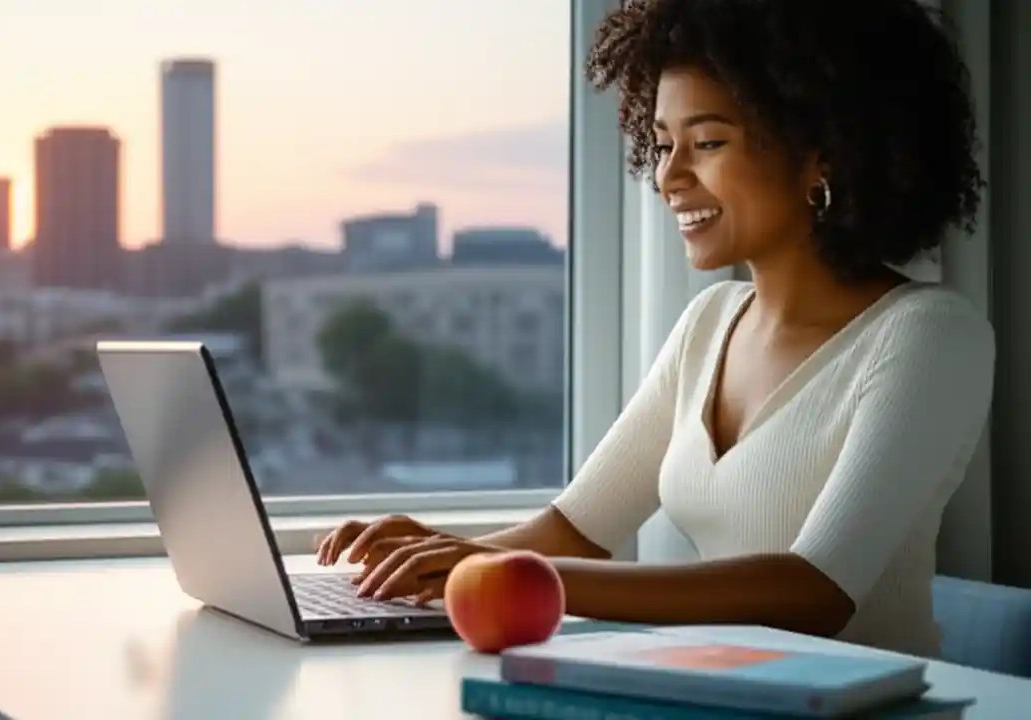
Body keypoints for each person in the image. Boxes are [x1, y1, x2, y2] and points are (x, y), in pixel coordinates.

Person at [314, 0, 995, 657]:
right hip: (727, 696)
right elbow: (575, 530)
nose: (669, 175)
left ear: (826, 153)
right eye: (663, 143)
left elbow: (814, 591)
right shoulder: (710, 323)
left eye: (707, 142)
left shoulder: (929, 336)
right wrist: (426, 560)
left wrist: (492, 571)